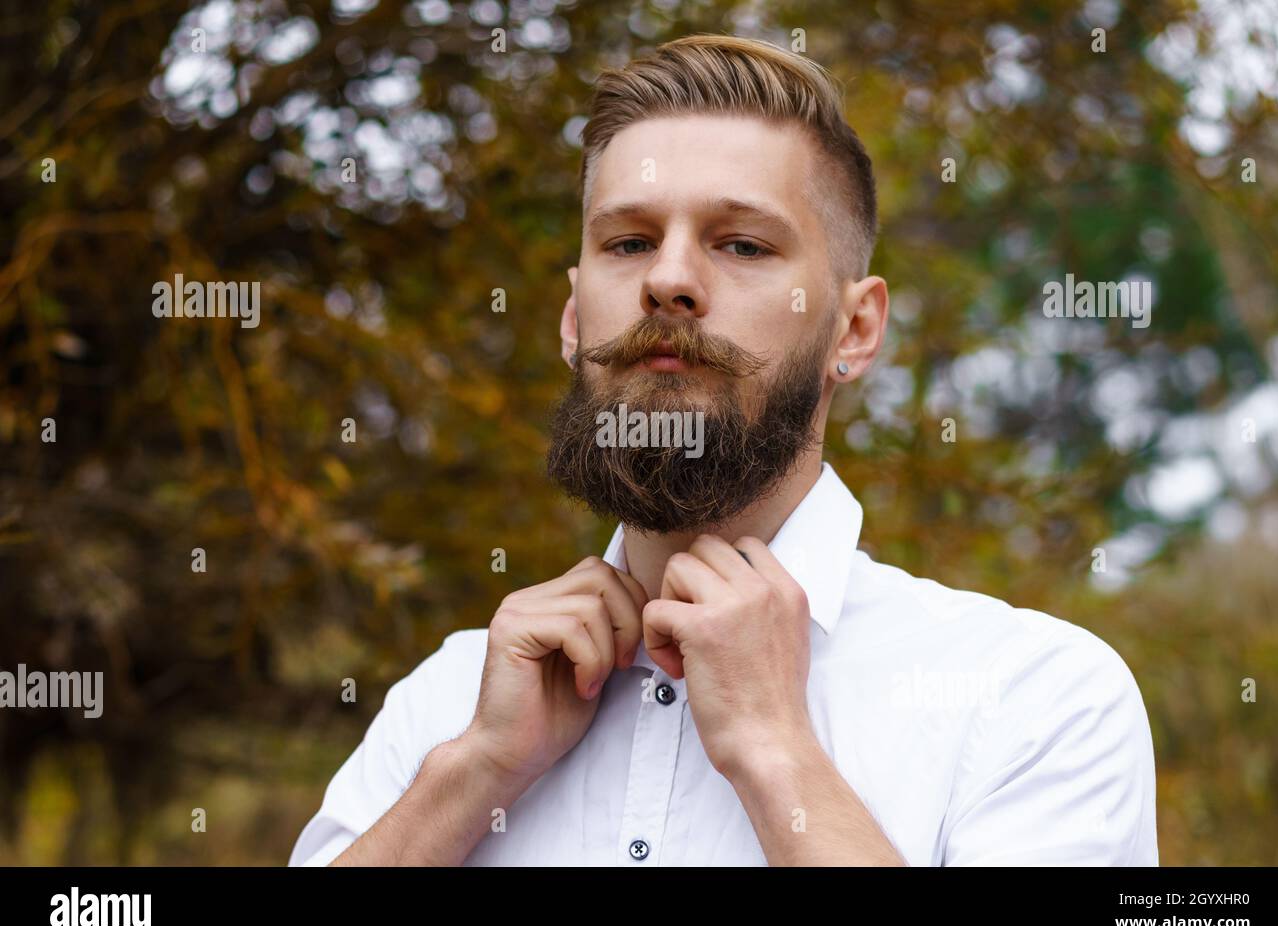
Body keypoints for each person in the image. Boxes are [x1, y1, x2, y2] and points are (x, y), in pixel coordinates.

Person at [289, 34, 1158, 867]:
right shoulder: (447, 703)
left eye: (742, 244)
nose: (666, 280)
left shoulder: (1037, 700)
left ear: (853, 330)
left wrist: (775, 749)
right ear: (571, 318)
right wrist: (475, 772)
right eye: (628, 242)